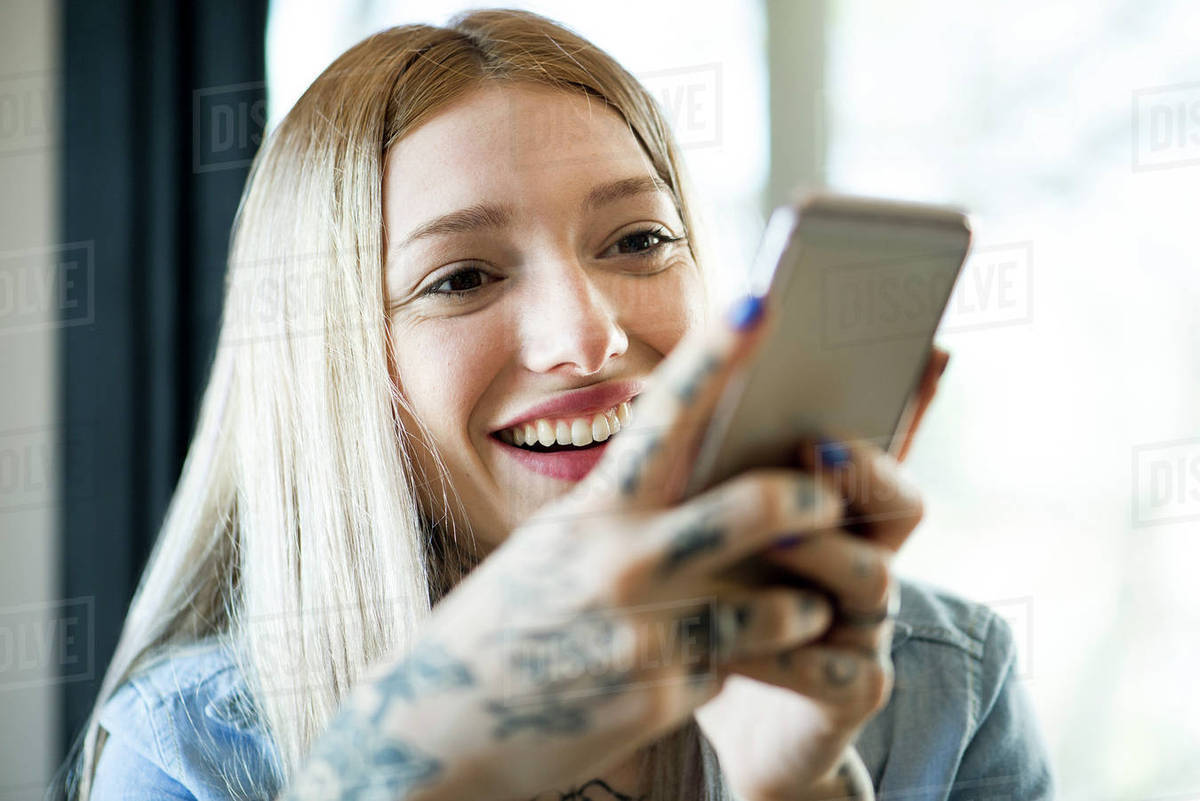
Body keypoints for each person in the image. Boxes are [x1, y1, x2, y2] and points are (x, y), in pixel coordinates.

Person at [59, 8, 1054, 801]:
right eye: (461, 278)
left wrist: (798, 789)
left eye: (638, 241)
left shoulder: (942, 685)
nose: (588, 338)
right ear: (336, 371)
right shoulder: (193, 752)